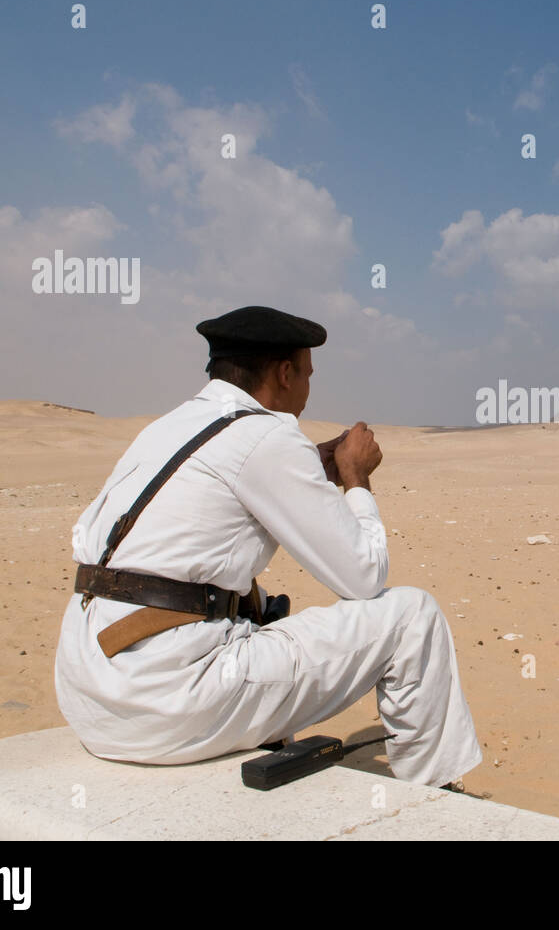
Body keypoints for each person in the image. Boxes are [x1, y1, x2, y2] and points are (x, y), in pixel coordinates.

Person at [55, 305, 481, 790]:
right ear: (284, 373)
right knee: (412, 618)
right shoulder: (269, 436)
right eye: (307, 375)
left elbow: (224, 497)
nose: (307, 391)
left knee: (255, 612)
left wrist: (314, 470)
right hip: (165, 705)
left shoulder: (167, 428)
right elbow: (363, 579)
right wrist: (357, 480)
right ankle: (437, 797)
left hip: (90, 696)